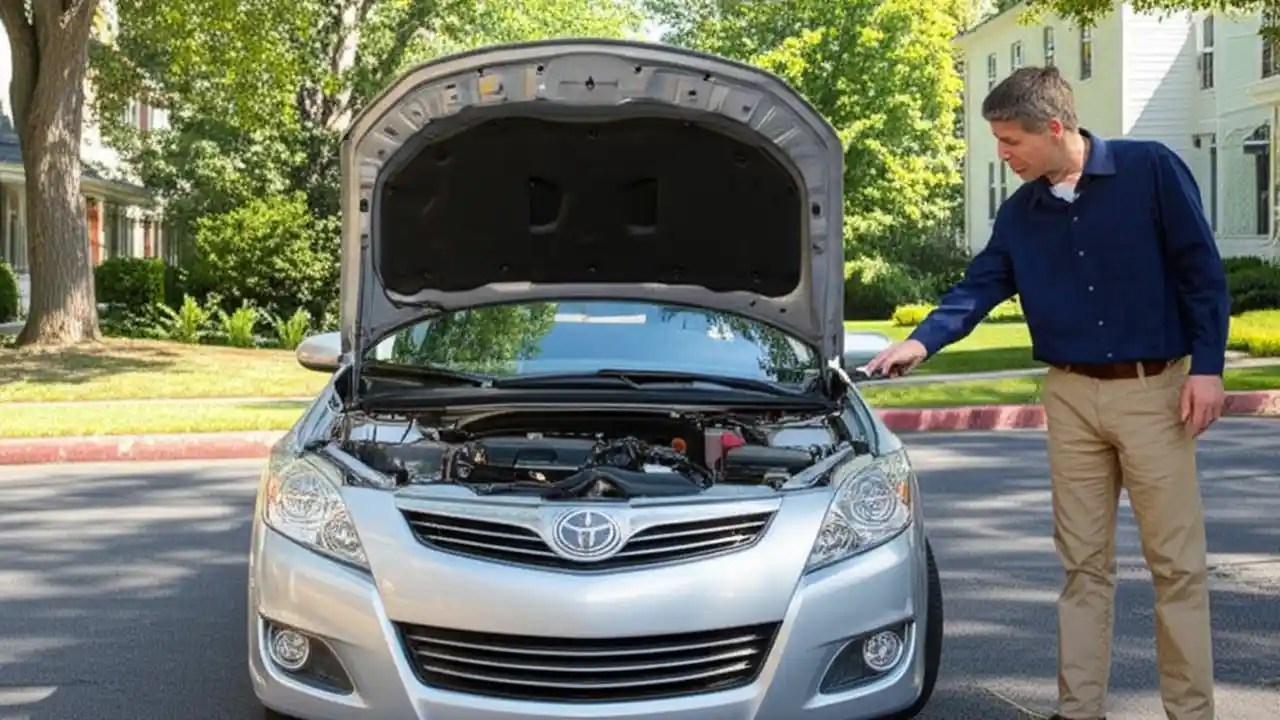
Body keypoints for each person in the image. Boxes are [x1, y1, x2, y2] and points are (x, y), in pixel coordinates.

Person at [865, 66, 1227, 720]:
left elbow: (1201, 271)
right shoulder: (1021, 211)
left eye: (1010, 141)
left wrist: (1208, 367)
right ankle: (1078, 709)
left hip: (1154, 394)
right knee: (1083, 566)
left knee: (1176, 567)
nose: (1002, 154)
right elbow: (980, 286)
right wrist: (921, 342)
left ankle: (1191, 713)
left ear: (1054, 127)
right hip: (1069, 396)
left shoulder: (1151, 170)